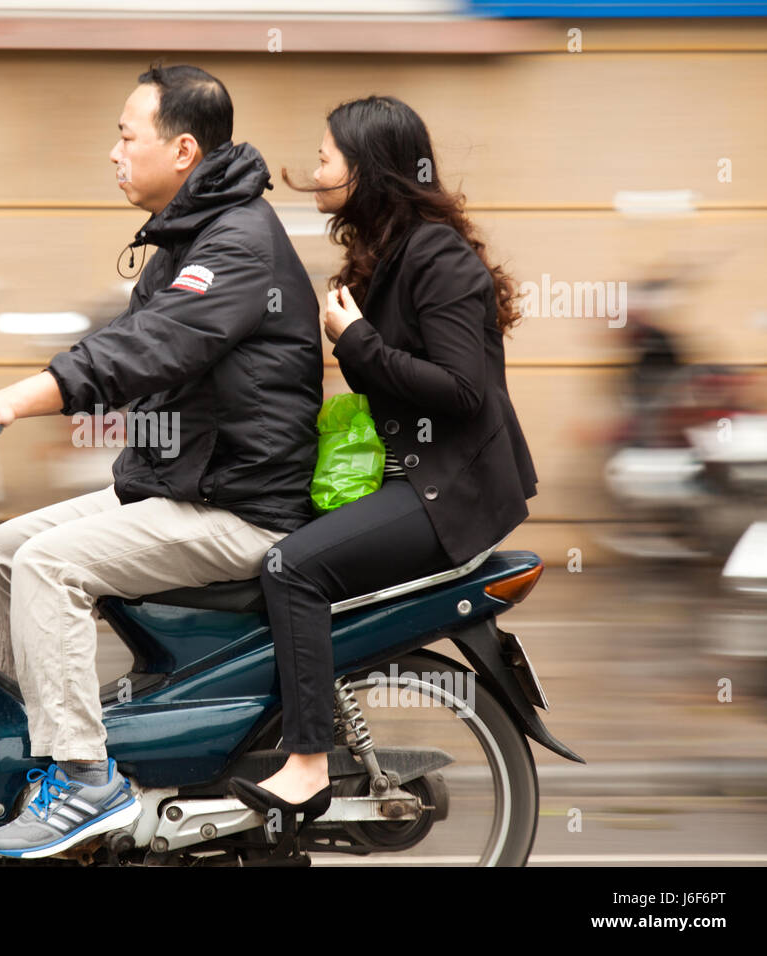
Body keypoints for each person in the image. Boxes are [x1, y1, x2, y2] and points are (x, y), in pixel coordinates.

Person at [0, 63, 324, 858]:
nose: (113, 152)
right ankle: (34, 750)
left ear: (184, 149)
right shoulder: (189, 237)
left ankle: (84, 782)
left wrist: (15, 401)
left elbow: (147, 351)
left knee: (51, 566)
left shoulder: (237, 244)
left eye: (125, 135)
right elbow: (117, 349)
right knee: (6, 550)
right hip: (183, 487)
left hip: (238, 506)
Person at [226, 95, 539, 843]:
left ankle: (305, 762)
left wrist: (357, 339)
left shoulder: (437, 257)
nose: (318, 169)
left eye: (330, 157)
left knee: (292, 568)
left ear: (370, 170)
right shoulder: (388, 254)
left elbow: (462, 392)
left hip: (446, 494)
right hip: (406, 479)